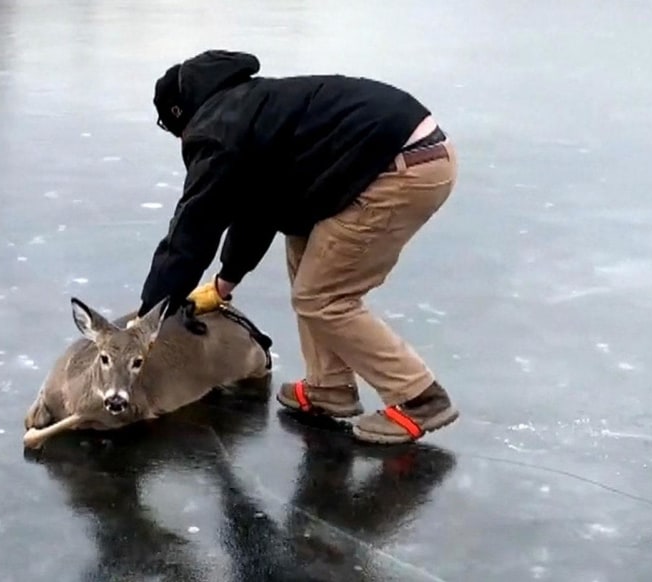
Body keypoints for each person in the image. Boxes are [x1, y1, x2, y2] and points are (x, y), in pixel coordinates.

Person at [133, 49, 459, 444]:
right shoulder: (249, 108)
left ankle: (419, 397)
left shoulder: (217, 130)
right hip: (401, 155)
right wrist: (224, 283)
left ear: (180, 116)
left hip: (397, 169)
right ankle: (328, 386)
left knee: (323, 296)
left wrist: (147, 318)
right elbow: (257, 209)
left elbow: (192, 229)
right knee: (302, 246)